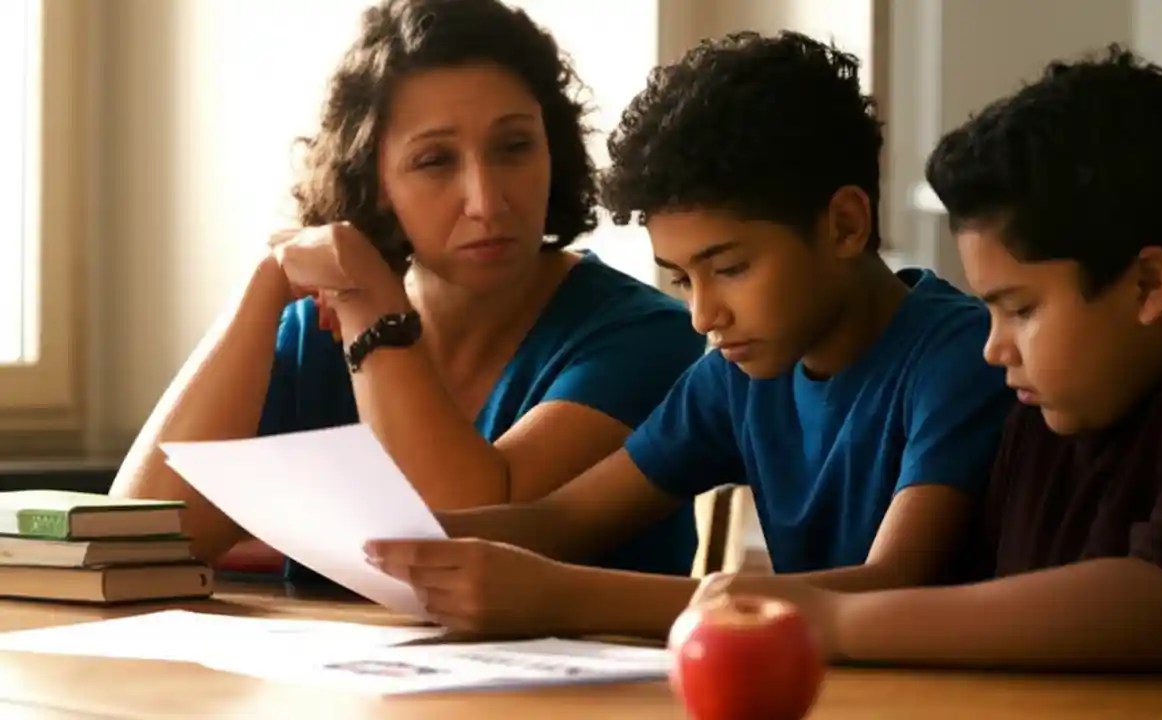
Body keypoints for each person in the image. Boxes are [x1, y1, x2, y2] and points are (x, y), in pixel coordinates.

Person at [363, 31, 1011, 638]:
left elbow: (889, 587)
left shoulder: (961, 356)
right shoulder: (736, 376)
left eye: (729, 268)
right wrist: (390, 546)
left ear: (844, 225)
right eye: (681, 280)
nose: (704, 315)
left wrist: (562, 595)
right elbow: (564, 519)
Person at [693, 47, 1162, 681]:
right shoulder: (1044, 417)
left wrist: (835, 620)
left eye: (1020, 309)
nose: (993, 346)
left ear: (1146, 286)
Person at [110, 0, 706, 577]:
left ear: (554, 148)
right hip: (339, 678)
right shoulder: (311, 334)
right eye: (435, 161)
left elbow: (465, 539)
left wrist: (374, 306)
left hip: (578, 680)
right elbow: (136, 544)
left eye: (514, 147)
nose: (486, 200)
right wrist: (264, 287)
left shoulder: (645, 333)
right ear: (374, 182)